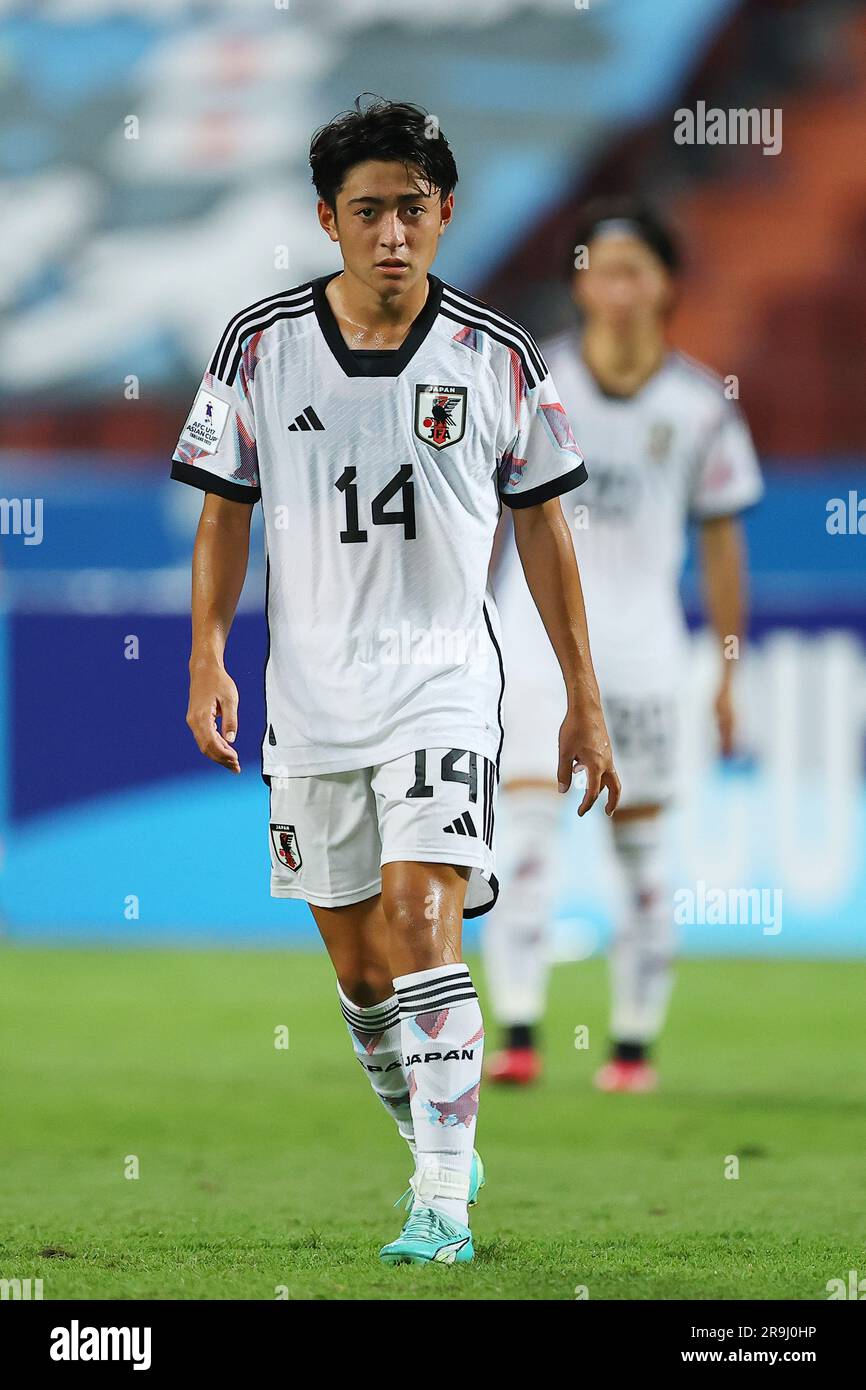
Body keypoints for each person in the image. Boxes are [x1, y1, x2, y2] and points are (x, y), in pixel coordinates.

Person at [171, 98, 619, 1264]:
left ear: (444, 214)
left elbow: (544, 528)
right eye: (365, 210)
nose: (389, 233)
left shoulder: (496, 357)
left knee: (424, 922)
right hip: (309, 703)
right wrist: (207, 652)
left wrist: (580, 691)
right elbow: (226, 511)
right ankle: (438, 1123)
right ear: (326, 219)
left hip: (443, 686)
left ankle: (440, 1204)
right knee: (362, 973)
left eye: (410, 210)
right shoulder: (258, 348)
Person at [484, 198, 763, 1092]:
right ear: (579, 281)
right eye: (600, 269)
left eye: (634, 270)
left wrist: (726, 668)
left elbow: (722, 542)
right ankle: (518, 1033)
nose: (615, 288)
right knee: (523, 838)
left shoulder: (699, 409)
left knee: (639, 853)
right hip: (528, 642)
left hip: (641, 656)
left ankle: (632, 1046)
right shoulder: (531, 384)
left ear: (666, 285)